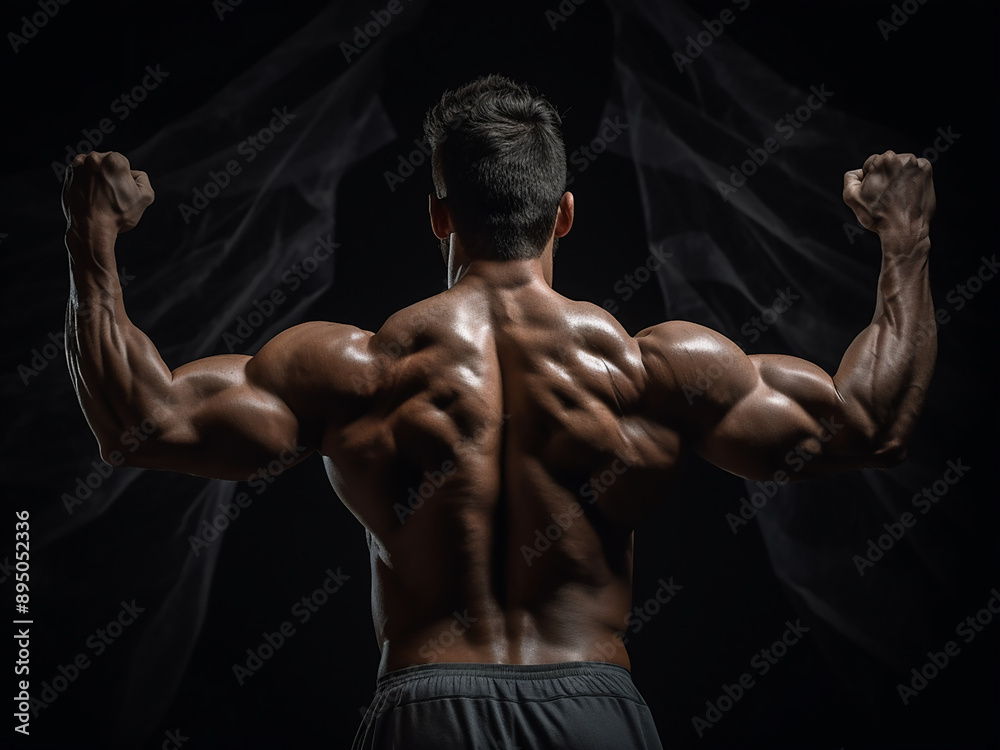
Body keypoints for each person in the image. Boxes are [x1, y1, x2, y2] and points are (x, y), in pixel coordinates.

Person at [61, 75, 936, 749]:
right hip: (593, 707)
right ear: (562, 215)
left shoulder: (358, 369)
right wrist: (905, 242)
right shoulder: (652, 369)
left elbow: (141, 419)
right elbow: (871, 424)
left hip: (425, 713)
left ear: (439, 213)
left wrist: (91, 239)